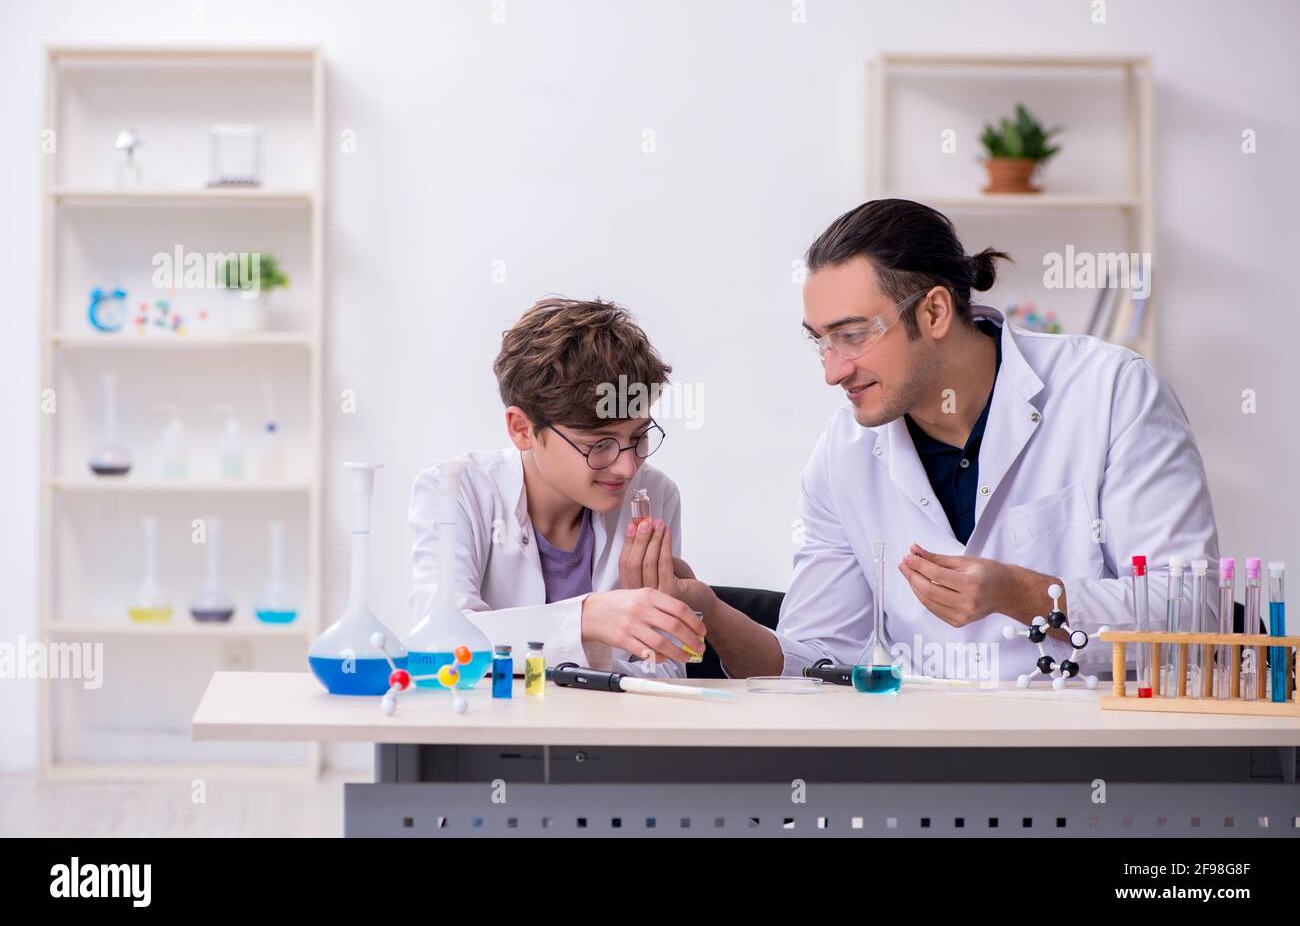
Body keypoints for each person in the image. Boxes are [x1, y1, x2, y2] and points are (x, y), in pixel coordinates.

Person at [678, 199, 1219, 681]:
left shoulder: (1110, 391)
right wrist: (713, 614)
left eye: (851, 335)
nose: (832, 371)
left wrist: (1021, 594)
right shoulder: (843, 452)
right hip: (922, 757)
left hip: (1097, 750)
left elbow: (1193, 613)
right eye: (820, 342)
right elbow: (820, 661)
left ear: (933, 311)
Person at [407, 297, 705, 678]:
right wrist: (587, 620)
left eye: (639, 436)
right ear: (522, 429)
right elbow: (440, 643)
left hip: (609, 734)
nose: (627, 466)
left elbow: (667, 669)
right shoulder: (454, 491)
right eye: (599, 444)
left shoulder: (656, 494)